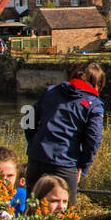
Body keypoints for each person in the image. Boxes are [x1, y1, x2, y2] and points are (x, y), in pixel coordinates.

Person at [23, 61, 105, 207]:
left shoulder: (50, 92)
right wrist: (82, 166)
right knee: (64, 213)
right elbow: (93, 139)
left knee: (32, 208)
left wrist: (34, 143)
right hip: (66, 163)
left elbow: (28, 119)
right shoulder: (94, 104)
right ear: (97, 84)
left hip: (37, 159)